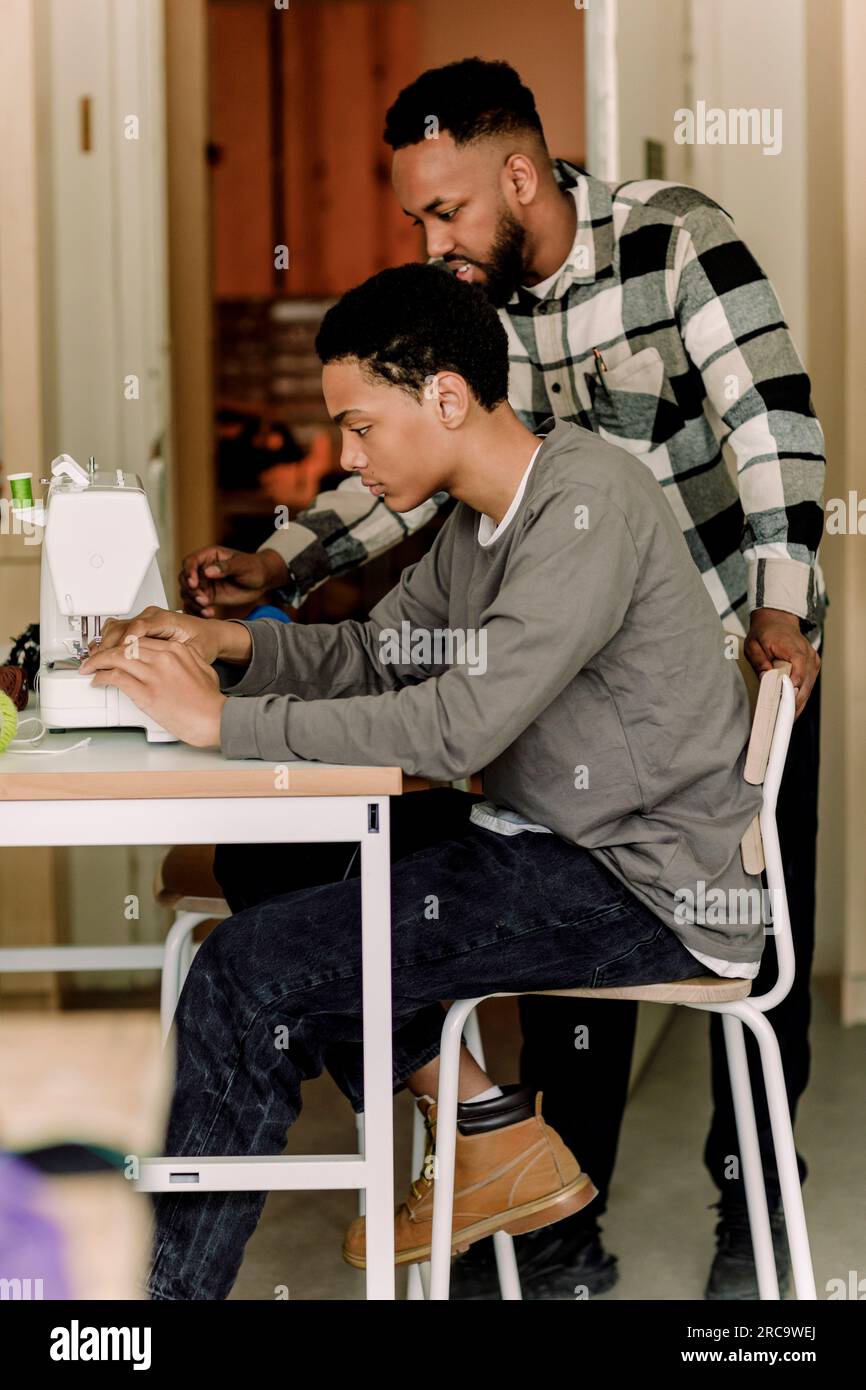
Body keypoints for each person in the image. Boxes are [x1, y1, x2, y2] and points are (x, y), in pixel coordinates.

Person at [178, 59, 825, 1300]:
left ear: (519, 177)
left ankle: (751, 1217)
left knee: (732, 935)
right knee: (556, 966)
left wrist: (781, 606)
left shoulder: (670, 242)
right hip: (552, 701)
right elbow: (415, 462)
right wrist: (280, 565)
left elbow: (770, 425)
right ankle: (549, 1227)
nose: (431, 241)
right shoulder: (471, 319)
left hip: (731, 661)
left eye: (445, 211)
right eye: (416, 217)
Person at [82, 262, 765, 1301]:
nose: (347, 458)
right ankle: (483, 1122)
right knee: (271, 856)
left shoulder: (585, 504)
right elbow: (376, 654)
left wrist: (221, 723)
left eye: (359, 427)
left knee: (248, 974)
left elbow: (456, 728)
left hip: (640, 879)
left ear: (446, 397)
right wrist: (229, 643)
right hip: (539, 834)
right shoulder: (475, 522)